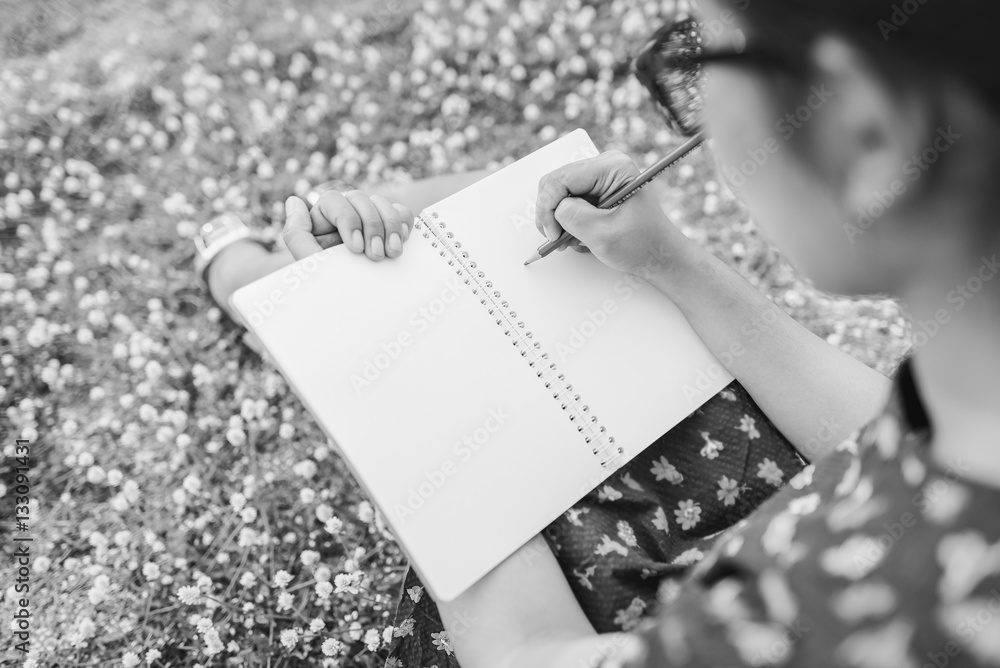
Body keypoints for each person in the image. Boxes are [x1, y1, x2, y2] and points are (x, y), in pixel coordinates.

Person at [278, 0, 1000, 665]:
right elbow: (882, 433)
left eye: (701, 55)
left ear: (868, 130)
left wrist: (408, 405)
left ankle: (235, 259)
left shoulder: (808, 624)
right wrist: (670, 261)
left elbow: (523, 651)